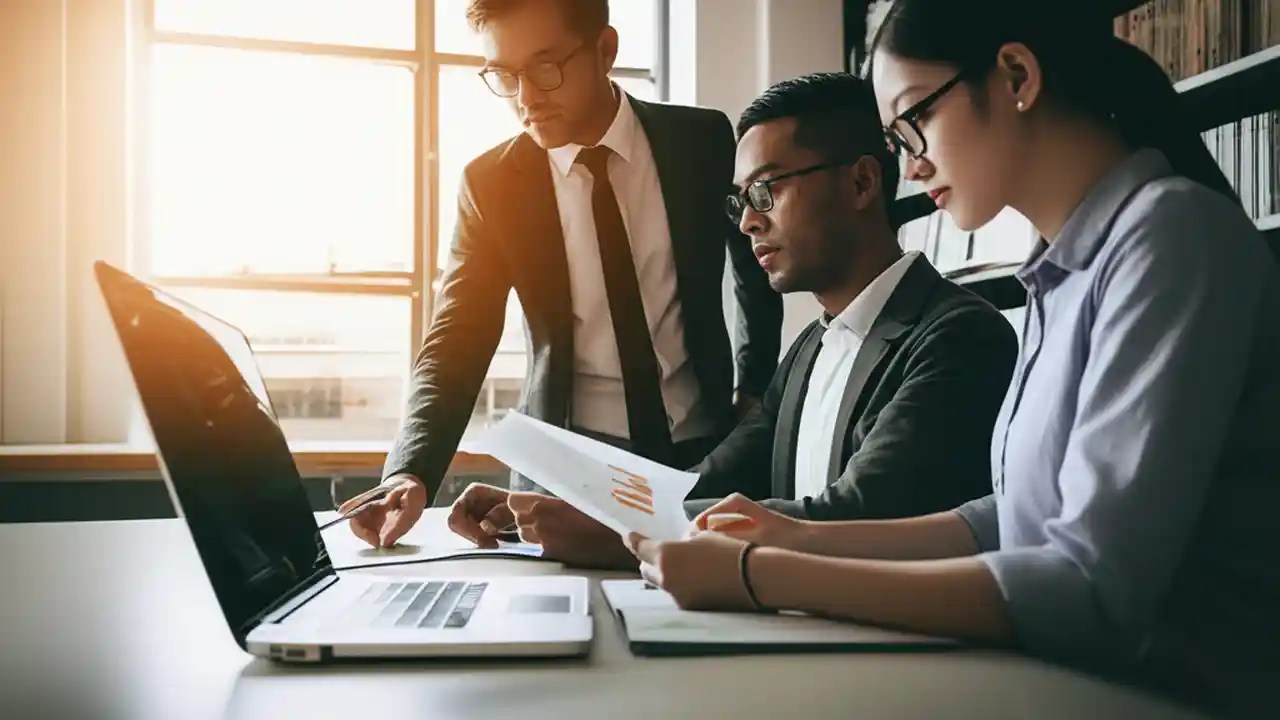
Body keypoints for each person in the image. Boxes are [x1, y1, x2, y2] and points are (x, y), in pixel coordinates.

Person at [626, 1, 1280, 714]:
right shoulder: (1061, 269)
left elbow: (1089, 588)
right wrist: (799, 535)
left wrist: (762, 574)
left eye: (914, 122)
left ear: (1016, 75)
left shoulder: (1172, 238)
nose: (909, 163)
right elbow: (1017, 517)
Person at [448, 73, 1016, 569]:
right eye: (740, 200)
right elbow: (702, 483)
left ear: (862, 183)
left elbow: (853, 518)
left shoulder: (958, 337)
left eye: (766, 192)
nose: (747, 223)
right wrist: (560, 508)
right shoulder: (811, 348)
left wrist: (620, 537)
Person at [342, 0, 782, 549]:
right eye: (504, 75)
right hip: (562, 478)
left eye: (545, 67)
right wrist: (411, 471)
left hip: (703, 460)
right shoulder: (492, 184)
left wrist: (756, 393)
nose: (526, 98)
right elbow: (457, 339)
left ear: (605, 50)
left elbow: (758, 272)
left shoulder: (702, 141)